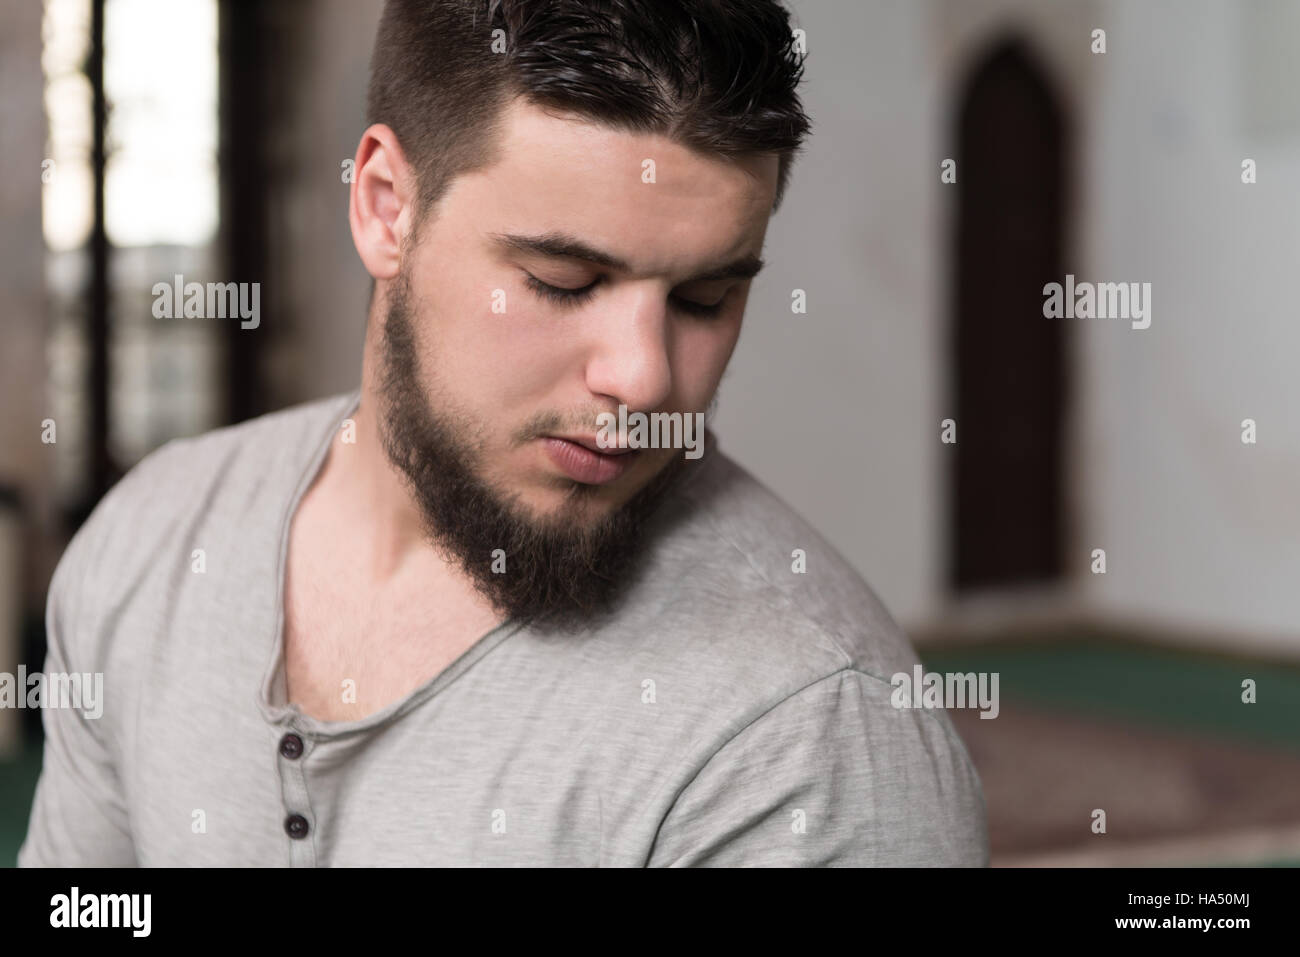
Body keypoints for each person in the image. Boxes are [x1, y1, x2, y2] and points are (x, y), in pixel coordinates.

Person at [19, 0, 988, 866]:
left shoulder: (807, 741)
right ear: (385, 209)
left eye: (703, 298)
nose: (644, 378)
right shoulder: (146, 549)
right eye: (564, 282)